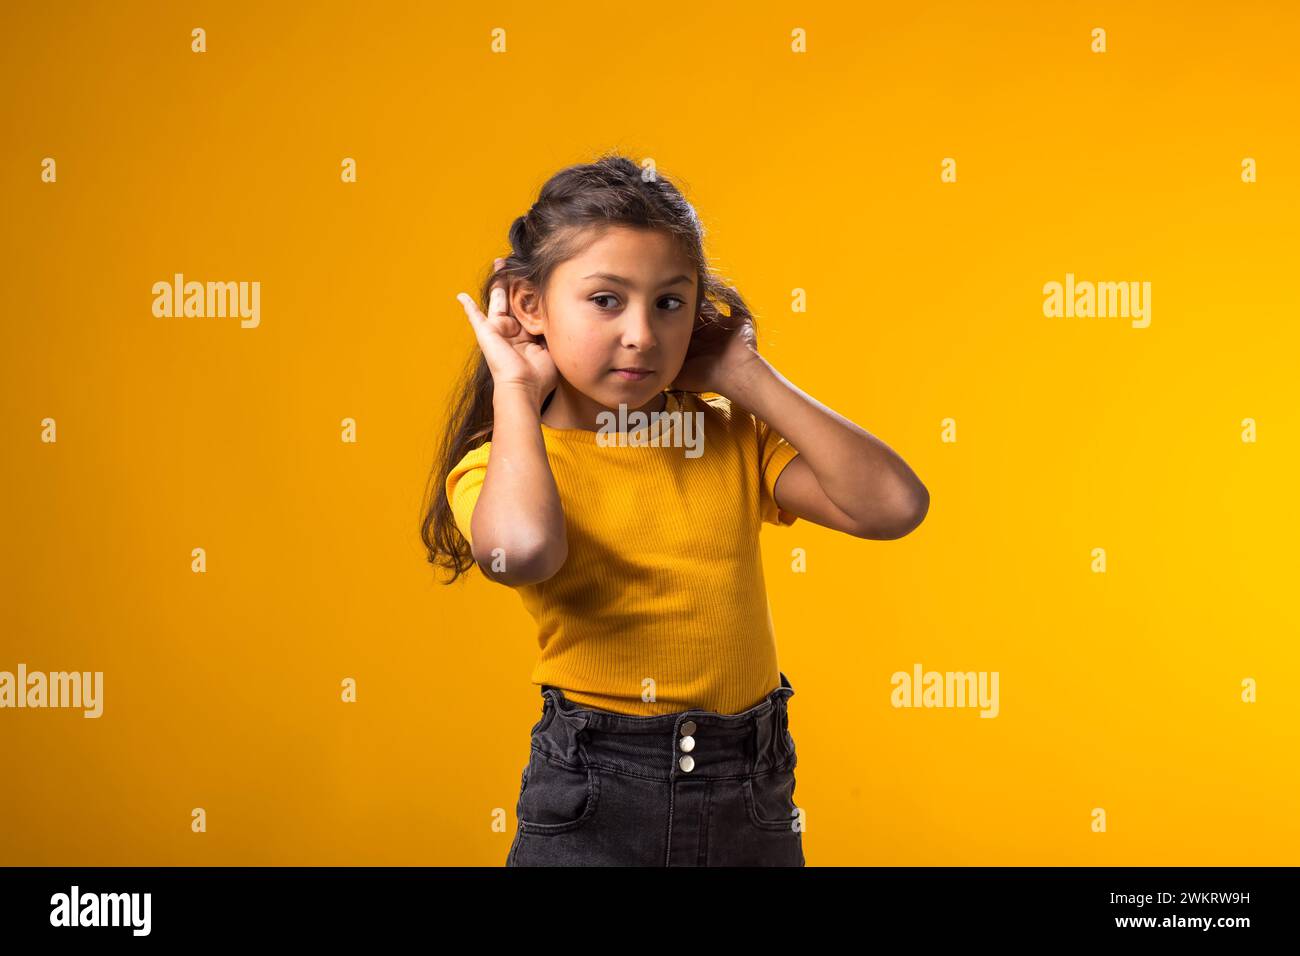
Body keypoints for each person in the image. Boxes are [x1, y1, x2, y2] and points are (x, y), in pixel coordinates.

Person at [420, 154, 929, 866]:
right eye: (606, 300)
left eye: (669, 302)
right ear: (530, 305)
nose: (642, 334)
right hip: (596, 788)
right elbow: (523, 552)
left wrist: (747, 375)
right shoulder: (507, 461)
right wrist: (513, 387)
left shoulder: (724, 434)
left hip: (749, 788)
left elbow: (894, 505)